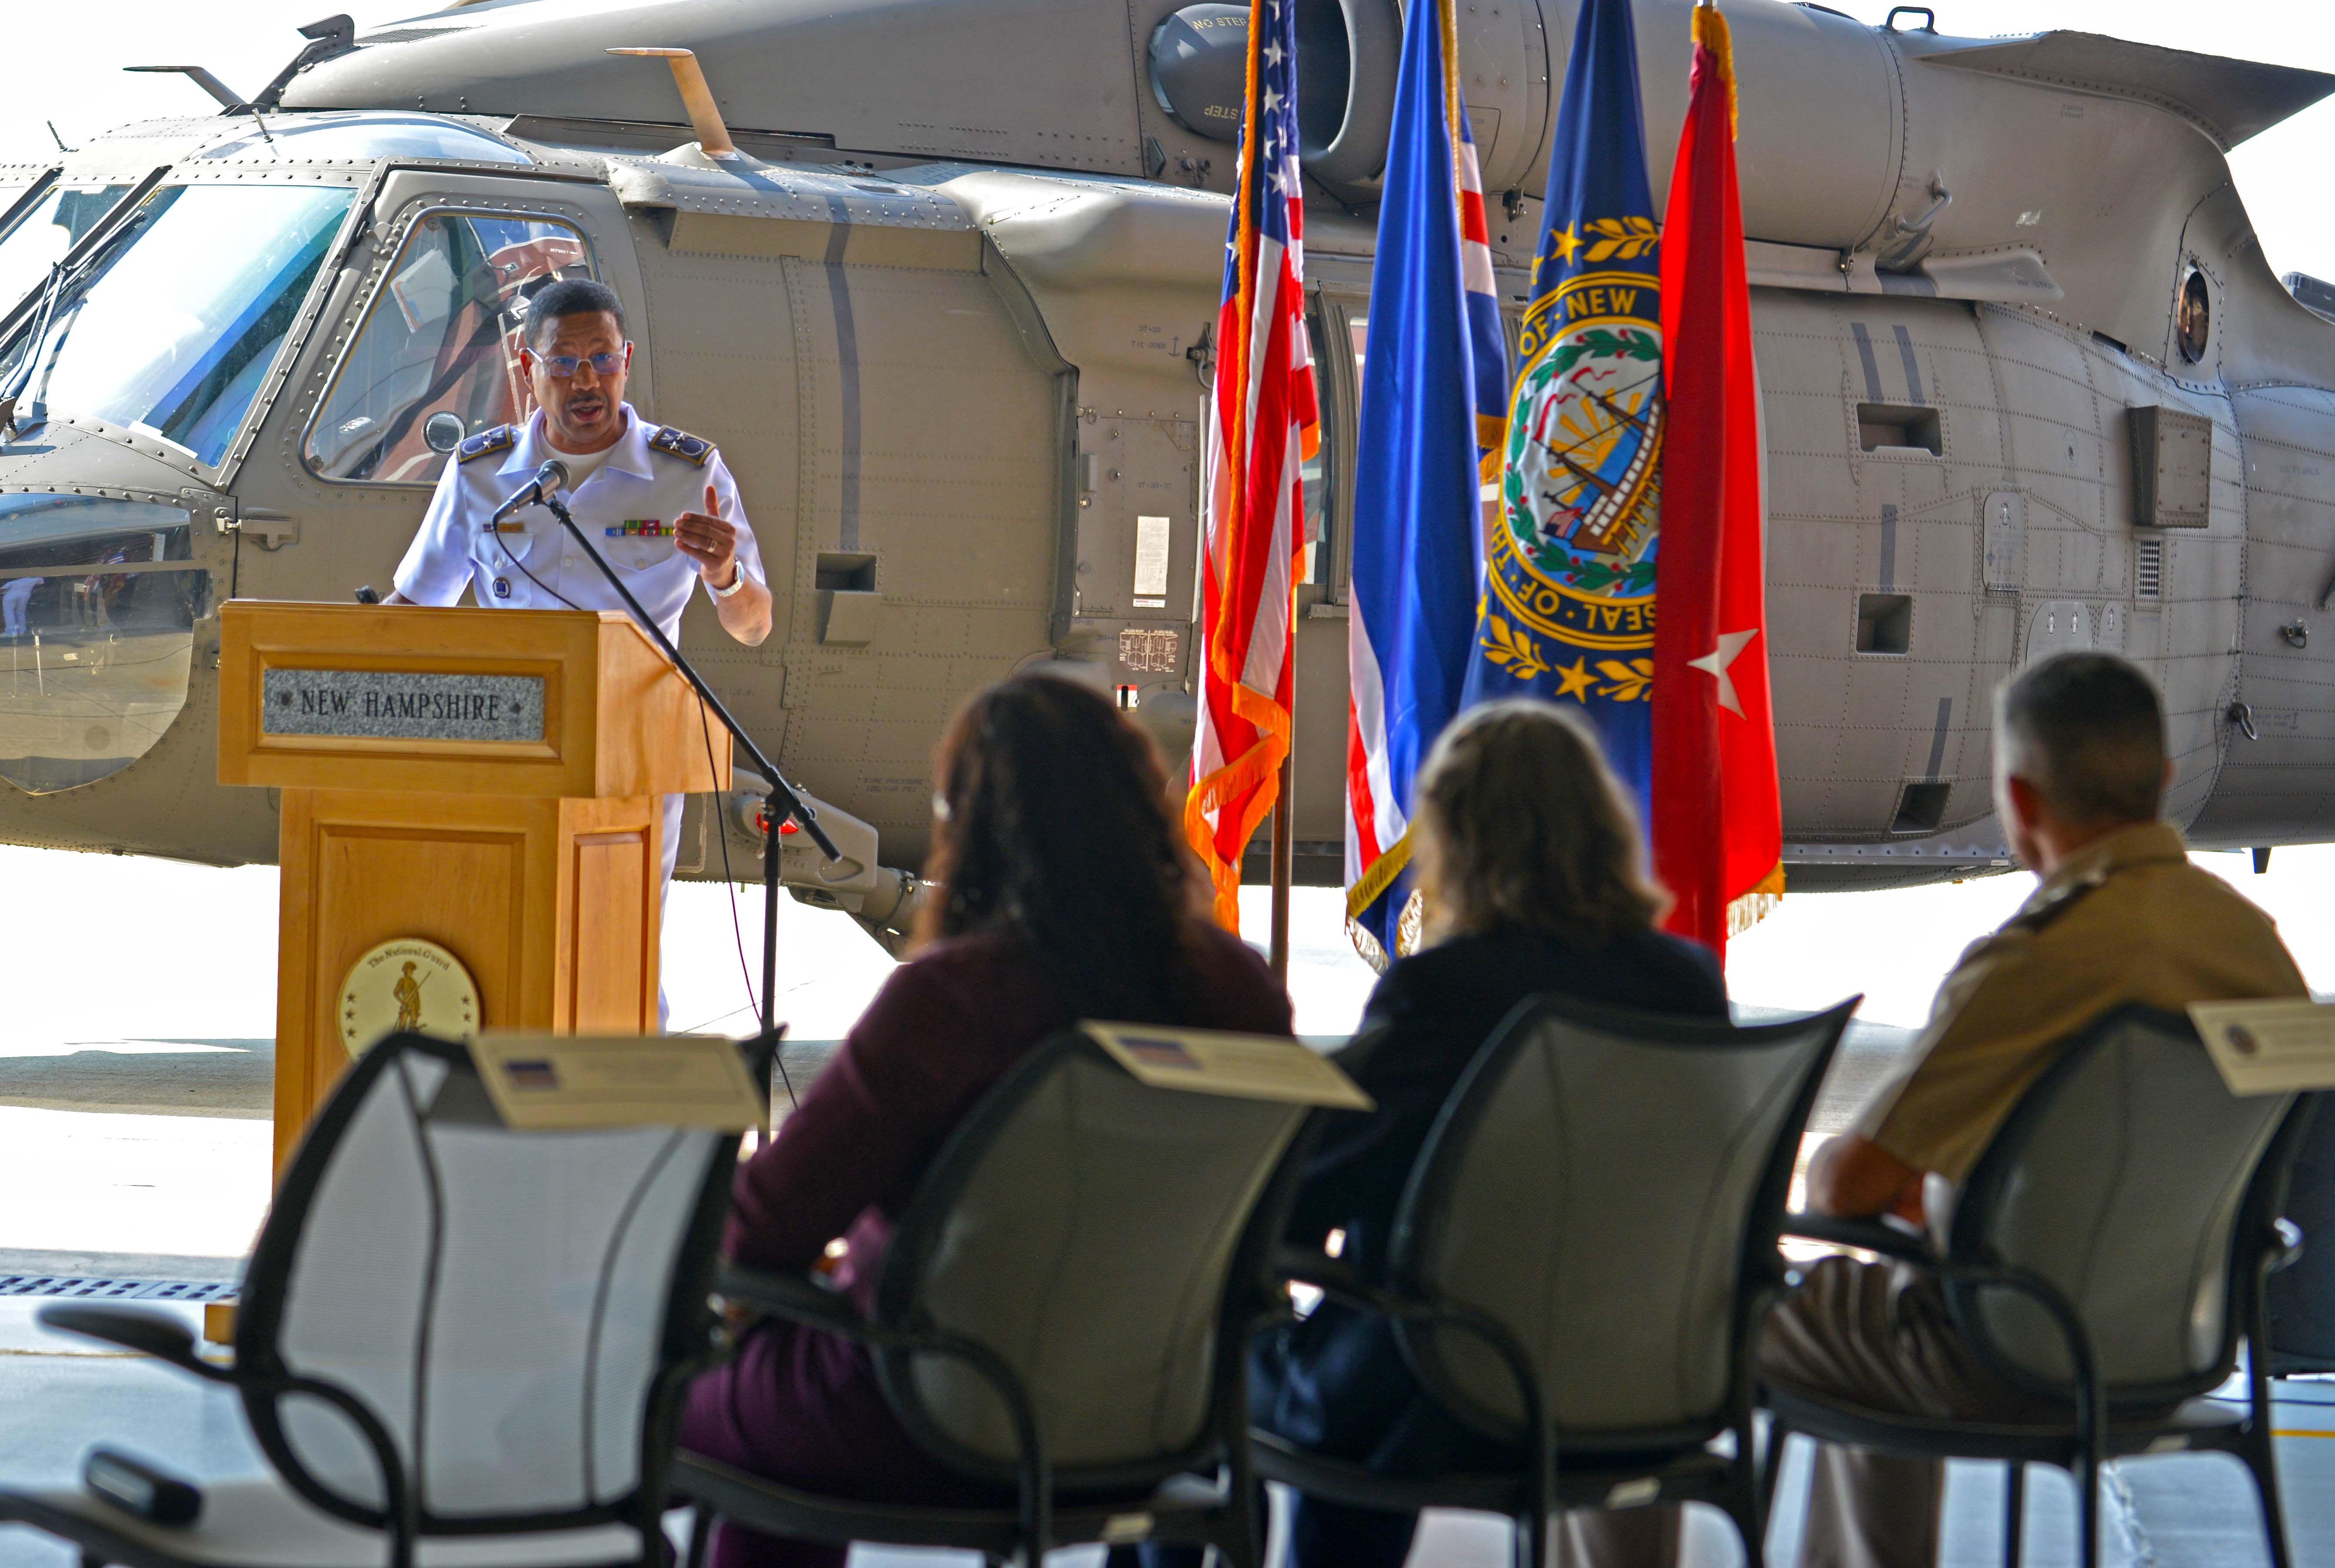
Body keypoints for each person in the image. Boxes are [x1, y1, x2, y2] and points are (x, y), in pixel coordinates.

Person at [678, 675, 1293, 1568]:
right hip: (1157, 1428)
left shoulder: (951, 1001)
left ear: (969, 826)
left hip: (923, 1418)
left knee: (689, 1391)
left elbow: (759, 1229)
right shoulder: (1242, 993)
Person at [1763, 649, 2311, 1568]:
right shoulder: (2254, 949)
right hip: (2178, 1351)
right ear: (2162, 782)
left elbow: (1846, 1184)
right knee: (1880, 1314)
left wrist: (1925, 1192)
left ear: (2018, 801)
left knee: (1746, 1307)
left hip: (2005, 1357)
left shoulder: (2036, 958)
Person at [1254, 700, 1728, 1568]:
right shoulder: (1687, 983)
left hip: (1457, 1395)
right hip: (1649, 1385)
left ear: (1457, 843)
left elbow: (1312, 1188)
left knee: (1233, 1355)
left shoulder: (1442, 991)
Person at [385, 277, 770, 927]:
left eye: (603, 359)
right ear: (529, 368)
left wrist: (726, 574)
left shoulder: (688, 474)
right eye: (564, 361)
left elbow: (754, 627)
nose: (587, 380)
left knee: (619, 939)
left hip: (636, 749)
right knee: (506, 929)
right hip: (508, 745)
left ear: (627, 362)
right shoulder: (482, 473)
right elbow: (414, 605)